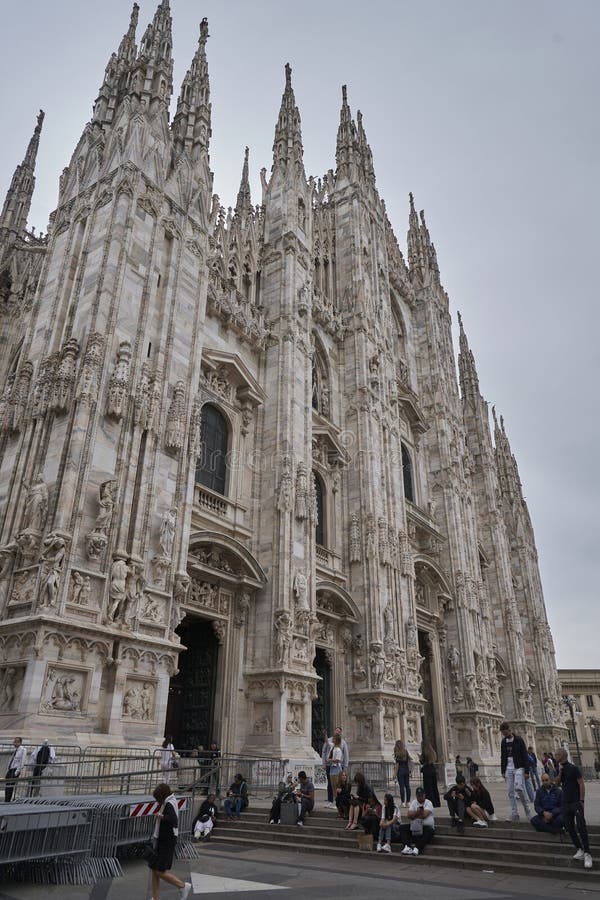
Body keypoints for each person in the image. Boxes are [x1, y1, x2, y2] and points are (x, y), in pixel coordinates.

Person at [148, 782, 191, 900]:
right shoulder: (169, 801)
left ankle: (182, 886)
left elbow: (173, 819)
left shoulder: (169, 804)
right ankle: (156, 897)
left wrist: (160, 816)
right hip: (164, 839)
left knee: (159, 870)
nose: (158, 801)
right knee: (154, 868)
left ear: (162, 796)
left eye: (158, 799)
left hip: (166, 840)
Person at [554, 748, 593, 869]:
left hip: (576, 802)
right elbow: (556, 783)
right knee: (569, 827)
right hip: (566, 803)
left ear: (563, 755)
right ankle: (579, 849)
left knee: (581, 826)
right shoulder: (561, 769)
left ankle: (587, 853)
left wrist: (581, 800)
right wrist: (560, 772)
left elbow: (581, 783)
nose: (555, 756)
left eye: (557, 754)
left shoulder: (573, 768)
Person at [499, 721, 531, 821]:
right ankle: (514, 813)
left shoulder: (519, 740)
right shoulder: (504, 742)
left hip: (518, 767)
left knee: (519, 788)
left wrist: (527, 771)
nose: (505, 735)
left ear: (509, 730)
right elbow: (503, 756)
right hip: (508, 768)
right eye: (503, 734)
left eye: (505, 733)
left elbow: (525, 756)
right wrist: (502, 770)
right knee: (510, 791)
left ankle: (527, 810)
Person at [400, 786, 435, 856]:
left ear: (424, 795)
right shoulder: (414, 802)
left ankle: (417, 848)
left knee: (430, 831)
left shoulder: (428, 803)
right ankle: (407, 847)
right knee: (402, 827)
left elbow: (424, 815)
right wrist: (417, 812)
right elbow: (408, 815)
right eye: (418, 796)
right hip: (415, 827)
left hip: (426, 827)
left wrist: (414, 815)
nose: (420, 798)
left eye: (422, 796)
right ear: (416, 796)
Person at [5, 736, 27, 802]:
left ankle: (7, 801)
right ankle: (6, 800)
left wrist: (16, 772)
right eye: (14, 741)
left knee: (10, 787)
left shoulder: (23, 750)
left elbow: (22, 762)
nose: (14, 743)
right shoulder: (16, 750)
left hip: (15, 770)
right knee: (7, 785)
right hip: (10, 769)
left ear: (20, 743)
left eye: (16, 742)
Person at [393, 739, 411, 806]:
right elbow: (409, 760)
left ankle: (403, 802)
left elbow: (397, 765)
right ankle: (408, 801)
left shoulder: (397, 753)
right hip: (406, 770)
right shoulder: (405, 752)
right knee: (407, 786)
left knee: (402, 787)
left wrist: (394, 774)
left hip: (400, 771)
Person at [328, 733, 344, 799]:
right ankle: (335, 799)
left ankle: (338, 799)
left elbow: (338, 760)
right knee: (333, 785)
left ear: (336, 740)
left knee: (337, 785)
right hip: (332, 767)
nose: (332, 739)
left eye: (334, 738)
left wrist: (330, 760)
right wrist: (325, 734)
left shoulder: (338, 749)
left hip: (336, 767)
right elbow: (327, 742)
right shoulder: (333, 747)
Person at [321, 730, 334, 806]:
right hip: (329, 765)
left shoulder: (342, 742)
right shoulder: (330, 742)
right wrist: (324, 763)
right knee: (330, 783)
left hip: (337, 766)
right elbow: (327, 745)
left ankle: (335, 799)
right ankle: (330, 800)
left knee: (336, 783)